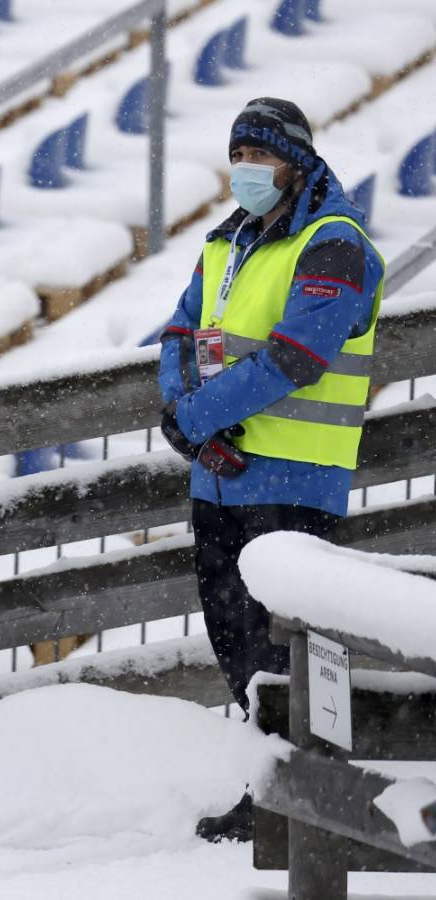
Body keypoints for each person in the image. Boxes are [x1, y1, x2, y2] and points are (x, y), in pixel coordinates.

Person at [157, 98, 384, 842]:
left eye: (260, 156)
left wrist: (196, 418)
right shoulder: (230, 242)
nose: (246, 170)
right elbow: (180, 332)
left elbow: (298, 355)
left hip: (293, 478)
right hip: (219, 477)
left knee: (286, 649)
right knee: (235, 643)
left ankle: (301, 801)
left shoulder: (333, 242)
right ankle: (273, 790)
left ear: (297, 160)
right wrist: (187, 416)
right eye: (239, 156)